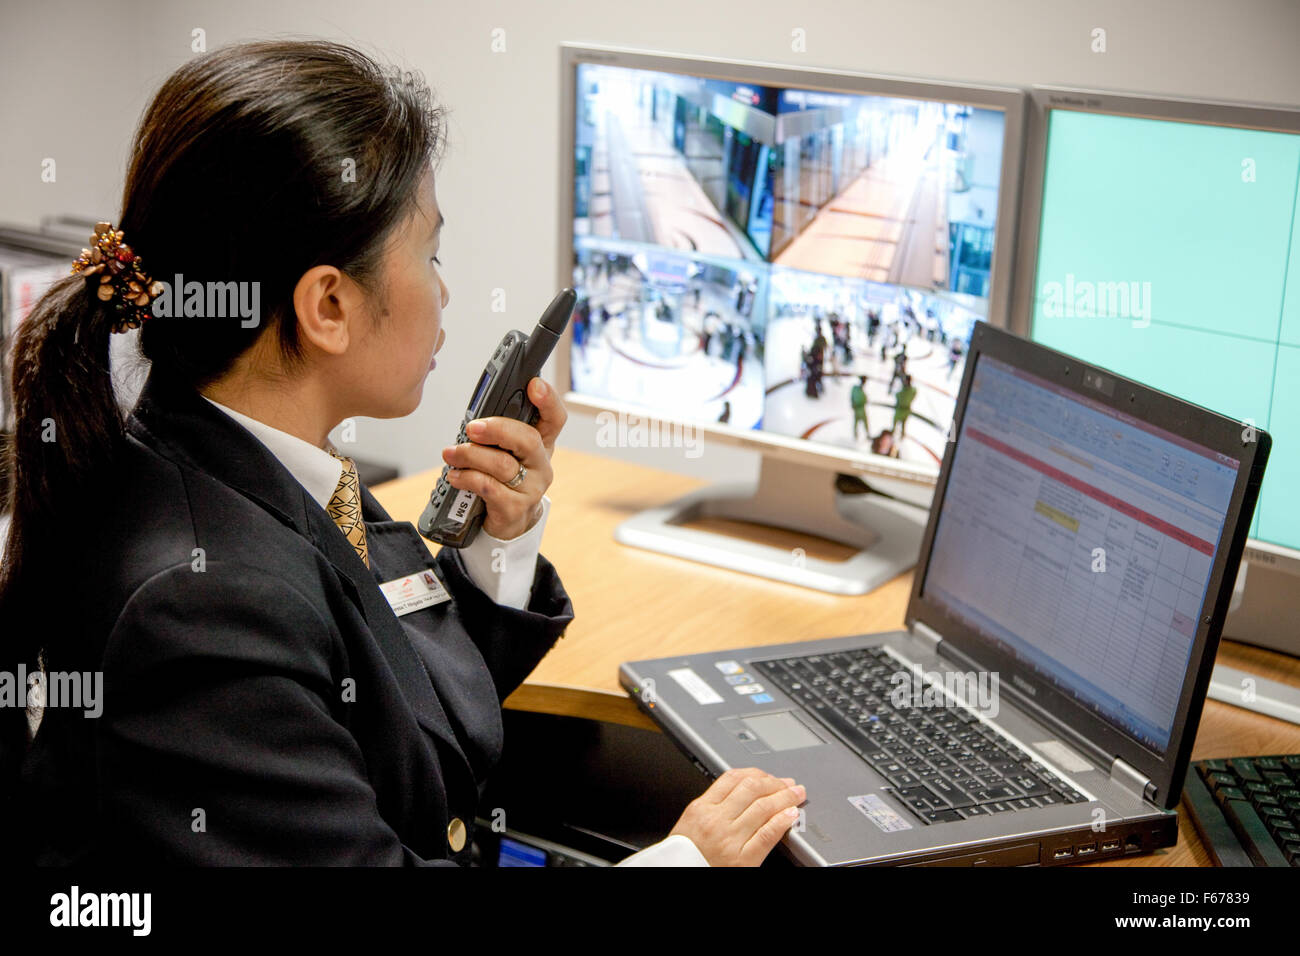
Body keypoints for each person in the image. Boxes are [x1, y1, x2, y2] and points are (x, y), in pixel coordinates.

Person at [0, 40, 805, 867]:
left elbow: (391, 700)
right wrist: (686, 861)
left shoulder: (260, 461)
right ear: (329, 305)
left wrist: (499, 538)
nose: (446, 289)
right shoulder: (203, 609)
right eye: (431, 255)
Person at [893, 373, 918, 442]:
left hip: (901, 409)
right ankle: (901, 436)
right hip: (906, 409)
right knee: (903, 424)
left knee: (896, 423)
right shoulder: (913, 390)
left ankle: (894, 435)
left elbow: (897, 396)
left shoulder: (903, 391)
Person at [850, 375, 870, 441]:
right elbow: (853, 398)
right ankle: (857, 435)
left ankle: (865, 435)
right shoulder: (856, 389)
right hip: (859, 409)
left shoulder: (857, 389)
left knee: (862, 422)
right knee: (860, 422)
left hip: (859, 409)